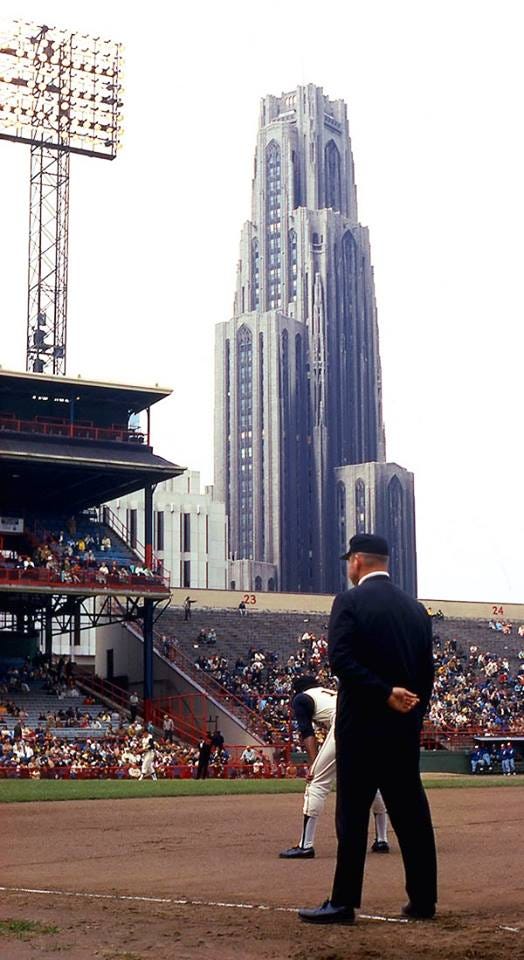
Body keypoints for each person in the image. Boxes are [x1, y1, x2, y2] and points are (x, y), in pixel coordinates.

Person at [299, 533, 437, 925]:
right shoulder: (416, 610)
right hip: (401, 729)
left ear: (357, 561)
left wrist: (384, 693)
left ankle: (344, 902)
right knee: (411, 814)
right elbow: (426, 673)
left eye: (349, 561)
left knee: (353, 815)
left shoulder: (349, 602)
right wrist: (411, 710)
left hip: (360, 726)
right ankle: (423, 900)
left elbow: (341, 661)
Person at [279, 676, 389, 859]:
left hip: (345, 723)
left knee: (316, 782)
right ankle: (382, 839)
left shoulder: (301, 698)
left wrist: (313, 764)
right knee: (369, 782)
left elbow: (307, 732)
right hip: (368, 723)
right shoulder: (329, 693)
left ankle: (305, 845)